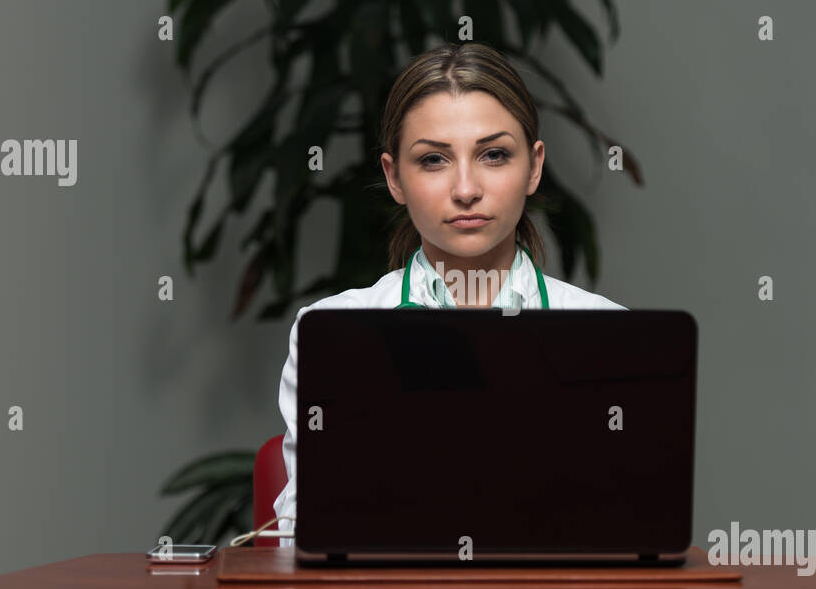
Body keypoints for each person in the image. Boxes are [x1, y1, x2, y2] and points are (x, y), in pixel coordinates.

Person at [265, 42, 625, 548]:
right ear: (394, 177)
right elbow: (301, 533)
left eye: (493, 155)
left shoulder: (608, 334)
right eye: (433, 159)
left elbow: (627, 530)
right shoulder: (334, 332)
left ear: (534, 167)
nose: (465, 188)